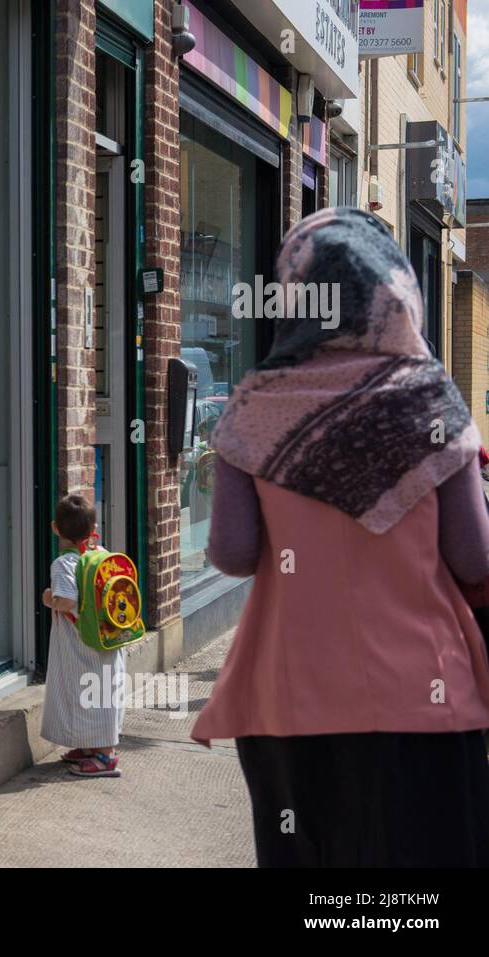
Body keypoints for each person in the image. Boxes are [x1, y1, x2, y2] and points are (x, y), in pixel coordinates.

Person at [195, 206, 489, 867]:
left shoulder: (255, 405)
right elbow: (475, 554)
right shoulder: (429, 399)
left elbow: (234, 553)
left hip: (291, 699)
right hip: (423, 697)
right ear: (398, 290)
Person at [39, 494, 125, 778]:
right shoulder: (99, 553)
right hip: (106, 638)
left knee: (88, 695)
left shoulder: (64, 564)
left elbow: (65, 600)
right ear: (93, 529)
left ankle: (105, 756)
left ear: (54, 528)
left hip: (81, 642)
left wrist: (48, 597)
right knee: (99, 694)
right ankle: (92, 746)